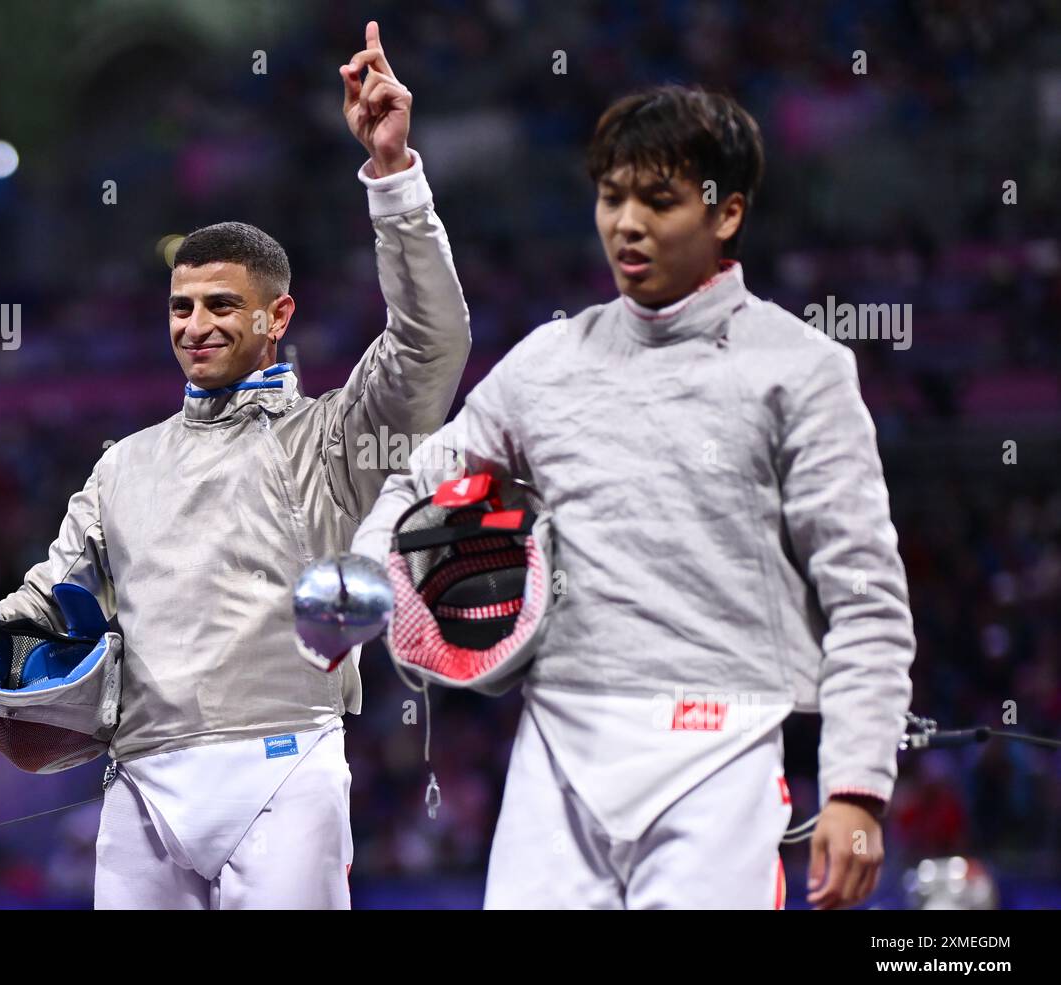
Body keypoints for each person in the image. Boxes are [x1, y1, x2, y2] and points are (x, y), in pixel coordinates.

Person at [0, 21, 470, 909]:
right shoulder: (121, 469)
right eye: (180, 306)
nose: (195, 324)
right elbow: (53, 597)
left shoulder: (331, 440)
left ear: (276, 316)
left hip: (283, 766)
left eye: (221, 305)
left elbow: (433, 345)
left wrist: (394, 177)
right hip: (139, 780)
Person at [352, 84, 915, 909]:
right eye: (611, 198)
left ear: (725, 215)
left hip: (719, 754)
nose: (627, 224)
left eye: (659, 201)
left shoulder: (801, 369)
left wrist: (858, 787)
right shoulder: (549, 362)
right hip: (559, 750)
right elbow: (415, 479)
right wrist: (361, 583)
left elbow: (865, 596)